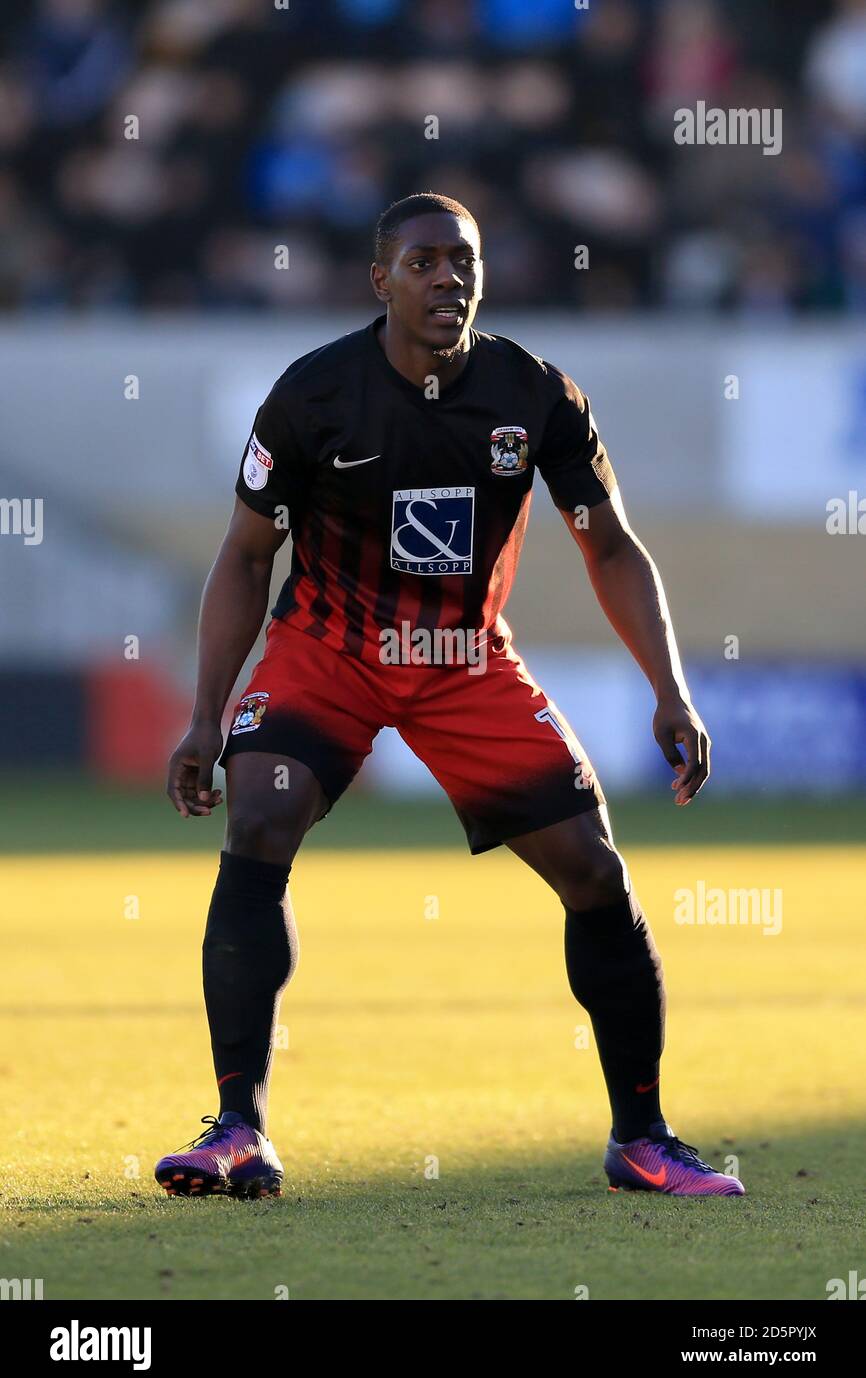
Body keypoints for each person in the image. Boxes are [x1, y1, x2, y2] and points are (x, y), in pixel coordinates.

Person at [157, 192, 743, 1200]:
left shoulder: (535, 395)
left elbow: (606, 544)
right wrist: (207, 715)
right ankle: (236, 1128)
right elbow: (247, 554)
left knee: (593, 871)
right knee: (259, 820)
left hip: (461, 658)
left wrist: (669, 688)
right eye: (424, 262)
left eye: (463, 262)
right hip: (325, 650)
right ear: (379, 280)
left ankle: (641, 1138)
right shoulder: (311, 396)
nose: (447, 280)